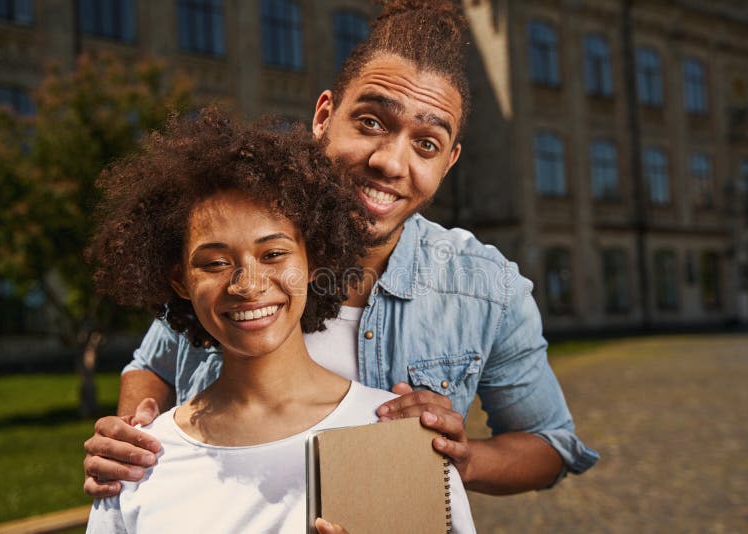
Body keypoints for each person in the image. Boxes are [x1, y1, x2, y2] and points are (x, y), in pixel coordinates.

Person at [84, 0, 598, 499]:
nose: (391, 163)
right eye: (371, 122)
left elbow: (550, 443)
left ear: (449, 162)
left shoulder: (486, 287)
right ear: (325, 115)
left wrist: (463, 459)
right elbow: (150, 364)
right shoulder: (241, 249)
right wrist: (134, 432)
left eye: (426, 144)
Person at [85, 110, 475, 533]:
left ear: (314, 257)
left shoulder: (392, 438)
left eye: (273, 254)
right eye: (215, 262)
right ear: (180, 280)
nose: (248, 285)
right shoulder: (139, 464)